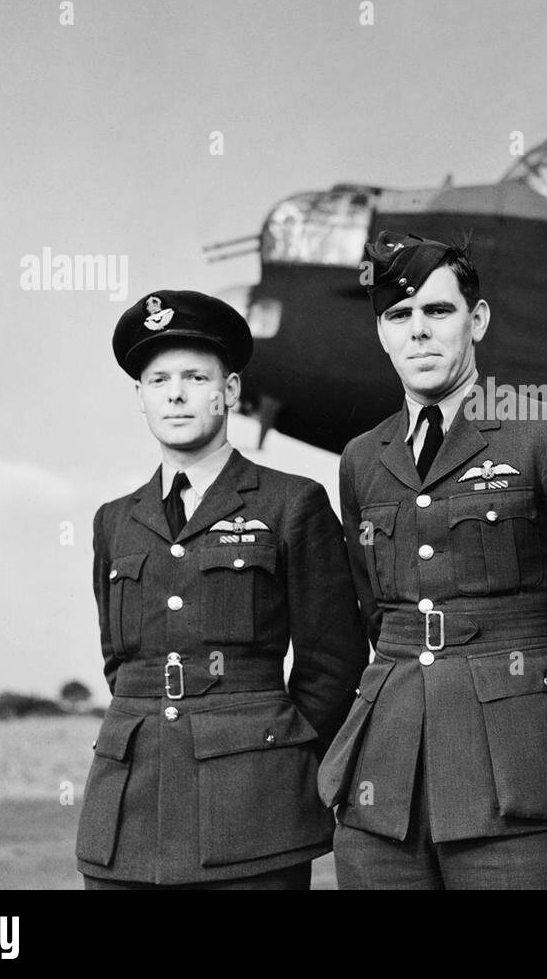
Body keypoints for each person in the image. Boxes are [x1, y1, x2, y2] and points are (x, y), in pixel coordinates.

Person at [318, 231, 547, 889]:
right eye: (398, 316)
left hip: (519, 785)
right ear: (381, 334)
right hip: (383, 788)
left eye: (438, 311)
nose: (418, 331)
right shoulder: (362, 458)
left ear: (476, 320)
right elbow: (375, 612)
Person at [77, 290, 366, 888]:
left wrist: (276, 755)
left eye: (194, 376)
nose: (176, 394)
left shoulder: (293, 503)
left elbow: (333, 660)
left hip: (254, 813)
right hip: (126, 809)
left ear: (229, 390)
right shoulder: (114, 520)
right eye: (158, 379)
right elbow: (122, 665)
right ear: (140, 397)